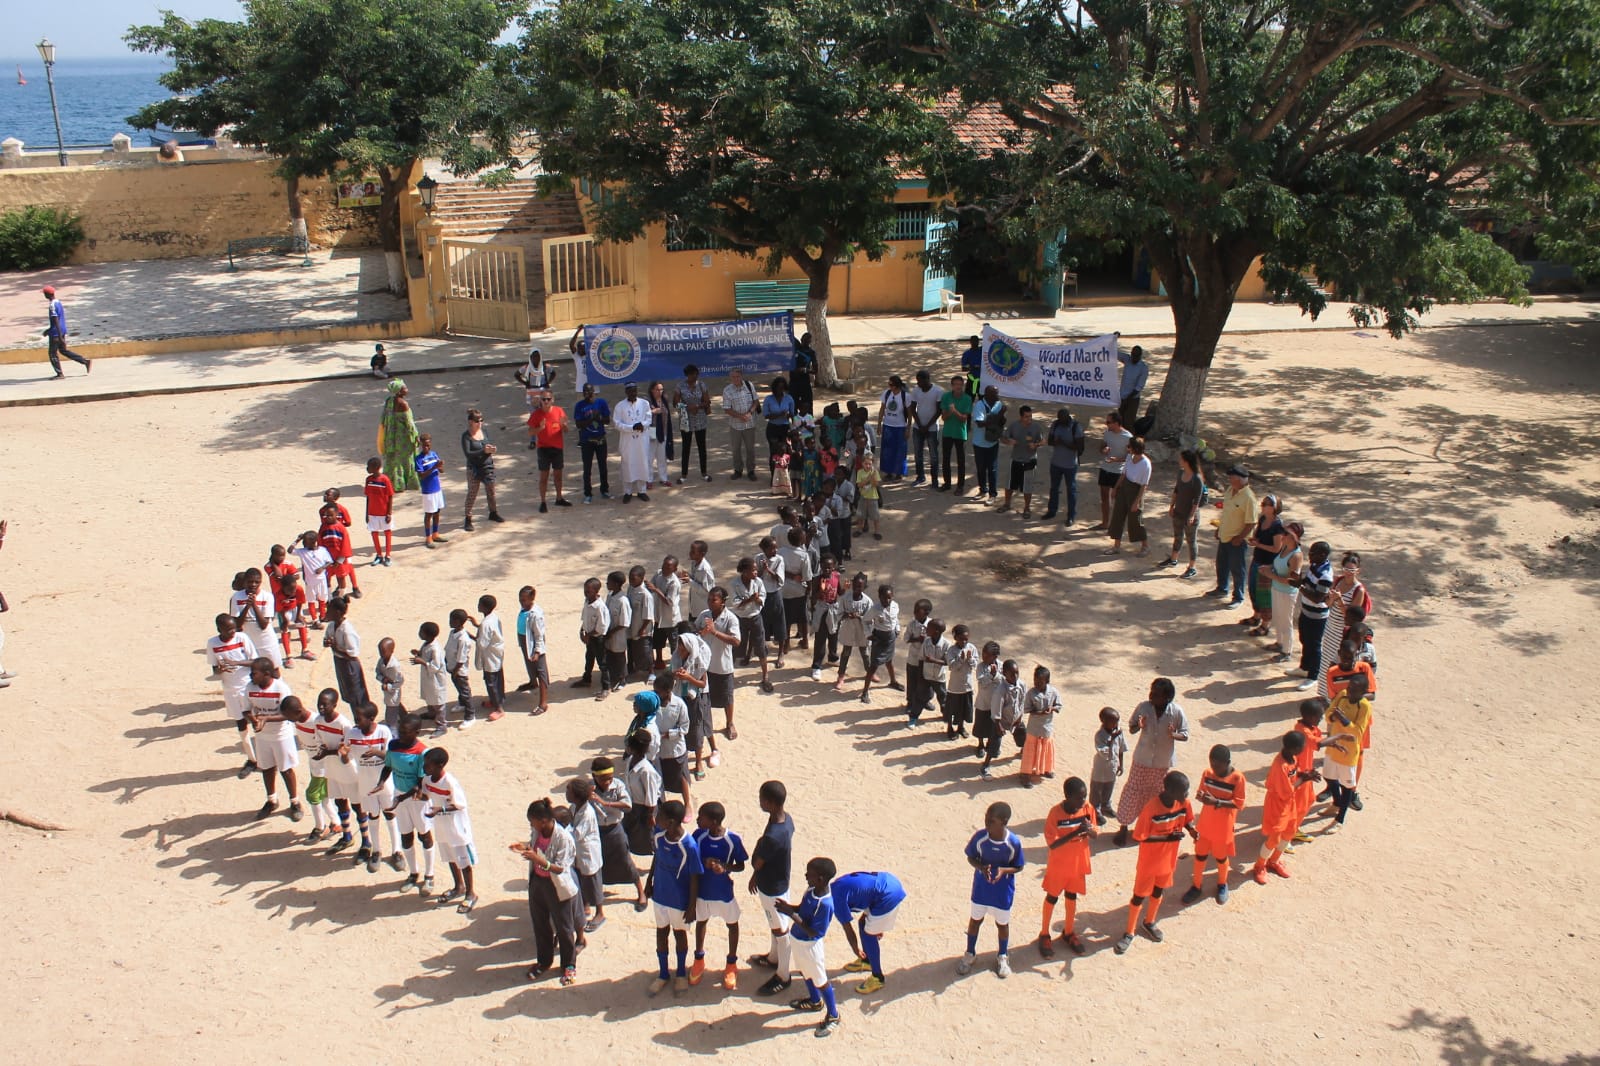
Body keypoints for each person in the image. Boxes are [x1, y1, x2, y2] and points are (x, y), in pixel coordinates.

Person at [1114, 769, 1193, 955]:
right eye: (1184, 791)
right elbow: (1141, 836)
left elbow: (1187, 820)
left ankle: (1149, 922)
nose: (1187, 795)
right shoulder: (1151, 808)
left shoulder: (1184, 803)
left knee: (1158, 891)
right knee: (1139, 896)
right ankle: (1129, 932)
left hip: (1168, 860)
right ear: (1170, 791)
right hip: (1149, 863)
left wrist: (1192, 830)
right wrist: (1167, 839)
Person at [512, 797, 583, 986]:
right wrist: (524, 847)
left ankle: (569, 965)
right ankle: (544, 961)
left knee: (564, 927)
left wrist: (538, 860)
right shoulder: (538, 832)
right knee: (540, 924)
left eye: (532, 821)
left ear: (543, 820)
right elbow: (535, 847)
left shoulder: (563, 838)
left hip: (556, 886)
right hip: (538, 884)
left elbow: (560, 868)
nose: (531, 825)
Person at [1114, 678, 1190, 846]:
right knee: (1132, 791)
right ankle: (1124, 827)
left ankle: (1148, 826)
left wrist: (1173, 735)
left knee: (1156, 794)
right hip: (1142, 759)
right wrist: (1139, 726)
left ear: (1167, 698)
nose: (1151, 695)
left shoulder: (1176, 712)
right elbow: (1132, 728)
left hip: (1162, 762)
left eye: (1156, 694)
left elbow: (1185, 734)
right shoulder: (1144, 707)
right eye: (1151, 691)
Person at [774, 857, 842, 1038]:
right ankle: (814, 1001)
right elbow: (803, 909)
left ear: (820, 878)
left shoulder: (825, 904)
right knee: (805, 972)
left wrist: (791, 915)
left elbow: (814, 932)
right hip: (798, 940)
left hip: (810, 947)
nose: (805, 876)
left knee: (820, 979)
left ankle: (834, 1015)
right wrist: (790, 908)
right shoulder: (811, 890)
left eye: (809, 874)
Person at [958, 802, 1025, 979]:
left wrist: (1004, 870)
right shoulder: (980, 838)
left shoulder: (1013, 843)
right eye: (986, 818)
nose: (986, 822)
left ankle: (1002, 956)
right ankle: (970, 953)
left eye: (991, 820)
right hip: (981, 890)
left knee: (1002, 925)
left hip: (1002, 893)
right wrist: (980, 867)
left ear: (1003, 822)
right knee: (975, 921)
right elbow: (970, 857)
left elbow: (1018, 866)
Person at [645, 798, 703, 996]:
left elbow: (695, 876)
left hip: (679, 900)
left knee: (679, 933)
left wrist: (692, 905)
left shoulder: (689, 846)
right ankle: (663, 974)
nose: (656, 819)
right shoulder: (659, 836)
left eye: (659, 816)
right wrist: (649, 881)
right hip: (660, 895)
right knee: (661, 932)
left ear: (670, 822)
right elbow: (657, 857)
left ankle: (680, 972)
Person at [373, 713, 434, 894]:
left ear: (417, 732)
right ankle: (413, 873)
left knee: (425, 835)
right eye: (400, 731)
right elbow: (389, 766)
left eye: (405, 732)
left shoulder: (422, 753)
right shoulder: (393, 745)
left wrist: (403, 797)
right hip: (400, 796)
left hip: (415, 799)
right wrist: (381, 782)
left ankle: (429, 875)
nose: (400, 735)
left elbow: (421, 782)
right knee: (406, 836)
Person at [690, 800, 748, 990]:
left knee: (732, 925)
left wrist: (725, 867)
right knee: (701, 922)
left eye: (702, 817)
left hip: (723, 892)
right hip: (703, 892)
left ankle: (731, 963)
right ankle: (699, 959)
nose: (697, 820)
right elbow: (693, 859)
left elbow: (741, 865)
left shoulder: (732, 840)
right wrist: (704, 863)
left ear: (714, 822)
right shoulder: (698, 836)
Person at [747, 780, 796, 995]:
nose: (760, 802)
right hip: (779, 879)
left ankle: (783, 975)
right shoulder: (787, 821)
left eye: (762, 799)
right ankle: (774, 958)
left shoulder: (772, 837)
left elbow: (758, 861)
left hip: (771, 887)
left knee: (780, 929)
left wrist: (754, 871)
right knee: (775, 923)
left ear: (771, 802)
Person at [1039, 777, 1096, 957]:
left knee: (1072, 897)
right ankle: (1044, 934)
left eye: (1084, 796)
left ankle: (1069, 932)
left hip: (1078, 864)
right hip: (1059, 866)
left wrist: (1089, 830)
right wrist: (1076, 832)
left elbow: (1094, 833)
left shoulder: (1087, 809)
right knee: (1052, 898)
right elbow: (1053, 844)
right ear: (1067, 797)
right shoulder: (1055, 814)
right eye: (1079, 797)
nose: (1083, 801)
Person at [1183, 744, 1246, 905]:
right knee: (1200, 855)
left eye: (1218, 766)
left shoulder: (1237, 778)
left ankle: (1222, 884)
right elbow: (1201, 791)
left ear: (1228, 762)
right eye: (1212, 764)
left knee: (1220, 857)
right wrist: (1202, 797)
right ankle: (1196, 886)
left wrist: (1217, 801)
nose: (1214, 769)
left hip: (1223, 827)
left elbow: (1239, 803)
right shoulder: (1207, 773)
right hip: (1205, 824)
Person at [343, 701, 401, 873]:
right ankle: (376, 851)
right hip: (366, 784)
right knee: (372, 817)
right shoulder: (352, 733)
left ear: (370, 719)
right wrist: (344, 756)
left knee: (390, 814)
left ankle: (396, 851)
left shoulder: (383, 731)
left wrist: (377, 752)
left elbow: (392, 756)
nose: (356, 721)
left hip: (384, 783)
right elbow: (346, 758)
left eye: (359, 718)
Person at [830, 868, 906, 994]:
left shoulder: (835, 901)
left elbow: (848, 929)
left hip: (887, 894)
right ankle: (867, 960)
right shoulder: (834, 887)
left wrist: (856, 950)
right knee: (863, 923)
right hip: (885, 883)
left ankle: (878, 977)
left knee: (868, 934)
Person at [421, 748, 477, 912]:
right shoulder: (427, 780)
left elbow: (460, 805)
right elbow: (426, 795)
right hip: (441, 828)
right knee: (451, 859)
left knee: (463, 862)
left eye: (428, 766)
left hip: (457, 829)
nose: (425, 768)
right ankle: (458, 887)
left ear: (440, 765)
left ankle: (470, 893)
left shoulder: (450, 782)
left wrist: (440, 810)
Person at [590, 756, 646, 912]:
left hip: (615, 830)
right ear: (595, 777)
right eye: (603, 779)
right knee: (596, 864)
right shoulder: (589, 789)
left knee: (625, 860)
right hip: (596, 833)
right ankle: (591, 898)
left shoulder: (618, 785)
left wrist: (604, 803)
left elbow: (627, 806)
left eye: (609, 778)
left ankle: (641, 892)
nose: (607, 782)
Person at [206, 614, 260, 776]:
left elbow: (255, 661)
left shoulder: (241, 638)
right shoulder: (212, 643)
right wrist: (220, 669)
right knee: (241, 726)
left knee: (258, 722)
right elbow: (214, 669)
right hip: (231, 691)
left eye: (234, 628)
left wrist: (237, 663)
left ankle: (265, 757)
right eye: (229, 630)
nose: (232, 632)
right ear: (219, 630)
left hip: (248, 687)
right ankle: (252, 759)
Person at [1254, 730, 1308, 884]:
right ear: (1294, 748)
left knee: (1289, 833)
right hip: (1277, 805)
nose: (1303, 749)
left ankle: (1274, 861)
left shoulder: (1293, 758)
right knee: (1274, 839)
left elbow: (1295, 776)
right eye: (1302, 747)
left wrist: (1305, 774)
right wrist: (1303, 780)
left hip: (1288, 804)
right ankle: (1259, 866)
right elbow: (1286, 790)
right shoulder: (1280, 766)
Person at [1322, 673, 1372, 831]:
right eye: (1349, 688)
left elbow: (1358, 732)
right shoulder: (1342, 695)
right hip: (1333, 745)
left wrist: (1343, 720)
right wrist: (1332, 717)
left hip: (1348, 753)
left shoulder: (1364, 706)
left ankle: (1340, 819)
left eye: (1354, 690)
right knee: (1328, 776)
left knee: (1347, 786)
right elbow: (1328, 714)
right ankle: (1336, 802)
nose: (1349, 692)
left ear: (1363, 692)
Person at [1205, 464, 1257, 606]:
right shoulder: (1229, 491)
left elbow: (1251, 522)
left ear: (1240, 479)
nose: (1229, 479)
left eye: (1232, 476)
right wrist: (1220, 528)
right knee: (1221, 564)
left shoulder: (1248, 498)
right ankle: (1222, 588)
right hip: (1225, 535)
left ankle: (1238, 597)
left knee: (1237, 569)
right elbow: (1226, 513)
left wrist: (1239, 538)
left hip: (1237, 541)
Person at [697, 587, 742, 741]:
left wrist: (715, 632)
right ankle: (704, 723)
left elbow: (736, 641)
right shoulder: (704, 615)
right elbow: (696, 630)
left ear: (723, 602)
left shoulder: (731, 618)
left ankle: (729, 723)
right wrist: (701, 632)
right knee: (704, 696)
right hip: (705, 665)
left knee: (727, 697)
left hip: (722, 665)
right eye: (709, 599)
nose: (710, 602)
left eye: (714, 600)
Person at [1157, 448, 1204, 576]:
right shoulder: (1180, 473)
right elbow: (1176, 491)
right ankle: (1173, 559)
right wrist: (1171, 506)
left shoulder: (1197, 479)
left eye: (1181, 459)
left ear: (1186, 461)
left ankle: (1192, 567)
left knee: (1191, 541)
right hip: (1178, 512)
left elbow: (1197, 500)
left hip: (1190, 515)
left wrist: (1192, 515)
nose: (1179, 461)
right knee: (1178, 536)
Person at [1296, 540, 1336, 690]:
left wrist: (1299, 587)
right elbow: (1307, 581)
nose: (1310, 556)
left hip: (1317, 616)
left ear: (1323, 555)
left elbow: (1318, 597)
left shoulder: (1325, 575)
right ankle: (1304, 667)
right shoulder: (1314, 566)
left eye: (1313, 554)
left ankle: (1313, 675)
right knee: (1304, 639)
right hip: (1306, 610)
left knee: (1314, 645)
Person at [526, 390, 573, 514]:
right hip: (543, 448)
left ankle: (559, 498)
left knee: (558, 475)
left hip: (557, 447)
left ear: (553, 399)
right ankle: (543, 502)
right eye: (543, 399)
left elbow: (566, 430)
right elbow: (530, 432)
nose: (546, 401)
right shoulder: (537, 414)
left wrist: (564, 426)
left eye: (548, 399)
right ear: (540, 401)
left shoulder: (559, 411)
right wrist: (540, 428)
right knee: (544, 477)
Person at [1263, 520, 1305, 657]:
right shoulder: (1284, 547)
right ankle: (1279, 642)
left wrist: (1270, 575)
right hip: (1276, 588)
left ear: (1294, 536)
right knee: (1277, 617)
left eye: (1286, 533)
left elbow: (1292, 581)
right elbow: (1278, 566)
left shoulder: (1296, 556)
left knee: (1286, 621)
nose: (1282, 535)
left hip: (1287, 593)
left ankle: (1286, 651)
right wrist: (1269, 569)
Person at [1244, 494, 1285, 632]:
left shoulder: (1277, 526)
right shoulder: (1262, 519)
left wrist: (1259, 545)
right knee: (1253, 589)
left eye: (1265, 504)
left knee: (1265, 594)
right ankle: (1256, 616)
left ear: (1273, 508)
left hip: (1268, 565)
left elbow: (1276, 548)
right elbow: (1256, 534)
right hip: (1257, 560)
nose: (1262, 505)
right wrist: (1254, 540)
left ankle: (1265, 624)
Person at [1105, 436, 1152, 555]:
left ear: (1135, 448)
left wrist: (1137, 501)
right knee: (1118, 516)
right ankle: (1116, 546)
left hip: (1136, 491)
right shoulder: (1129, 458)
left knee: (1136, 520)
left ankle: (1145, 546)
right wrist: (1115, 488)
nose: (1127, 448)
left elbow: (1143, 485)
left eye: (1129, 446)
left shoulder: (1145, 464)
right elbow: (1123, 474)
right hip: (1124, 489)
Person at [322, 595, 368, 713]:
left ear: (337, 612)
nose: (327, 612)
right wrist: (327, 642)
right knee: (348, 693)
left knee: (357, 694)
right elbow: (326, 639)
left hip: (349, 665)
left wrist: (335, 647)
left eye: (330, 610)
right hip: (339, 662)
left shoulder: (347, 630)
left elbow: (352, 654)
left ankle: (362, 718)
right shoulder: (332, 625)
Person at [1041, 407, 1085, 525]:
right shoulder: (1055, 425)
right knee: (1054, 488)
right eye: (1059, 418)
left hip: (1070, 465)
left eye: (1062, 419)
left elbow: (1080, 447)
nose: (1060, 421)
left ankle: (1071, 515)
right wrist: (1054, 442)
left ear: (1068, 417)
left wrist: (1064, 443)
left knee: (1071, 490)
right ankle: (1052, 511)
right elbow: (1050, 441)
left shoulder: (1076, 427)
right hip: (1055, 463)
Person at [460, 409, 503, 529]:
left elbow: (486, 446)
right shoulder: (466, 436)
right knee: (472, 493)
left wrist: (491, 449)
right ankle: (468, 518)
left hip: (487, 466)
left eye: (481, 420)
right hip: (474, 468)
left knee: (491, 491)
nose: (479, 423)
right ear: (470, 422)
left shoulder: (484, 432)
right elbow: (468, 453)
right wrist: (483, 451)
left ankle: (493, 513)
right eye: (477, 421)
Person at [999, 404, 1045, 516]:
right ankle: (1007, 504)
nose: (1029, 419)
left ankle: (1027, 508)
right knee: (1010, 484)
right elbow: (1003, 438)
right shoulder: (1014, 426)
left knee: (1027, 486)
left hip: (1030, 460)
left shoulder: (1036, 427)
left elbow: (1043, 441)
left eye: (1030, 416)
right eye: (1026, 417)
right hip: (1015, 459)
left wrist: (1036, 445)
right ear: (1021, 417)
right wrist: (1009, 441)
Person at [1020, 664, 1062, 786]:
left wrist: (1052, 708)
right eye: (1035, 681)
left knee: (1046, 749)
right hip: (1034, 728)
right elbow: (1027, 709)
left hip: (1046, 728)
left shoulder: (1053, 692)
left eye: (1040, 682)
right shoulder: (1031, 694)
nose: (1037, 684)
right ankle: (1025, 775)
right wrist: (1040, 712)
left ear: (1047, 681)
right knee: (1030, 751)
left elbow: (1059, 705)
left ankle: (1046, 769)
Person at [378, 380, 421, 492]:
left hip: (391, 436)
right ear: (399, 391)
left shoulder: (389, 401)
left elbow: (384, 418)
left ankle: (392, 482)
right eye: (404, 388)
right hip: (403, 438)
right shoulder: (403, 404)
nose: (407, 389)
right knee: (406, 459)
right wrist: (416, 436)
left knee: (393, 459)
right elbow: (409, 424)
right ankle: (406, 483)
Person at [1094, 410, 1133, 528]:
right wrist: (1103, 450)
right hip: (1105, 468)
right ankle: (1105, 523)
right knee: (1104, 497)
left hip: (1118, 472)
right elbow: (1101, 447)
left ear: (1116, 423)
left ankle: (1116, 525)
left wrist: (1117, 460)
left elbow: (1130, 457)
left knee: (1117, 500)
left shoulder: (1128, 437)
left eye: (1109, 422)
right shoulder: (1107, 433)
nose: (1106, 424)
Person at [573, 383, 612, 503]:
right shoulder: (579, 405)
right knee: (587, 468)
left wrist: (598, 417)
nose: (587, 394)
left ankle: (604, 490)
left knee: (603, 466)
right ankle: (587, 493)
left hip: (600, 439)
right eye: (584, 392)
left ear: (594, 392)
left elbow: (607, 421)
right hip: (587, 440)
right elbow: (578, 424)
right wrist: (591, 419)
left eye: (589, 391)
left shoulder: (601, 403)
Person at [674, 364, 714, 483]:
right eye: (692, 374)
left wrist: (698, 406)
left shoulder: (702, 385)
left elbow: (707, 402)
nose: (694, 376)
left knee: (702, 447)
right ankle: (684, 475)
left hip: (700, 420)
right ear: (687, 375)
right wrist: (687, 407)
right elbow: (675, 403)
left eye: (696, 374)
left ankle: (704, 473)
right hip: (686, 421)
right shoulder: (680, 386)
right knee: (686, 447)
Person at [615, 382, 654, 502]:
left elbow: (648, 419)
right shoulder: (620, 406)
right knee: (628, 464)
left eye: (635, 391)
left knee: (642, 463)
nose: (633, 393)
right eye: (630, 391)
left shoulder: (644, 403)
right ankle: (627, 492)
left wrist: (642, 425)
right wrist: (631, 427)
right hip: (628, 441)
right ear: (626, 392)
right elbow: (617, 423)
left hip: (641, 440)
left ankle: (642, 491)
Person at [40, 286, 90, 378]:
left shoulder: (52, 306)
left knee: (52, 353)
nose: (44, 295)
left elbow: (56, 321)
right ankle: (85, 361)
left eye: (44, 294)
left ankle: (59, 373)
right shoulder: (58, 302)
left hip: (56, 333)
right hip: (61, 330)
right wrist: (50, 331)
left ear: (47, 294)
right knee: (63, 351)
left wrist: (58, 336)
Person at [720, 368, 759, 481]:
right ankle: (738, 470)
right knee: (736, 448)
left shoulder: (749, 385)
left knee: (750, 449)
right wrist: (740, 416)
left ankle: (751, 471)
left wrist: (750, 413)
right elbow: (727, 409)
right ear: (730, 378)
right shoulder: (727, 390)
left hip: (750, 423)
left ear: (741, 376)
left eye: (737, 377)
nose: (735, 379)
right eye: (733, 377)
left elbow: (755, 401)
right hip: (735, 425)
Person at [1090, 707, 1127, 824]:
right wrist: (1113, 738)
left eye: (1117, 721)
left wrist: (1121, 765)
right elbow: (1104, 752)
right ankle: (1095, 810)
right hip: (1101, 767)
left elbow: (1121, 749)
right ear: (1104, 722)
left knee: (1109, 787)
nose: (1116, 724)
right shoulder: (1099, 735)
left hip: (1112, 766)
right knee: (1097, 789)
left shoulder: (1118, 732)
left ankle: (1106, 806)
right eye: (1113, 722)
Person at [970, 385, 1006, 504]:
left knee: (992, 469)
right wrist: (999, 414)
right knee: (981, 468)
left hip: (993, 441)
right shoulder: (979, 405)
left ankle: (992, 494)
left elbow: (1001, 421)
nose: (997, 395)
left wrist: (1001, 418)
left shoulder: (998, 404)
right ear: (987, 395)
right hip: (979, 442)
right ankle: (982, 489)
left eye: (997, 393)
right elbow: (980, 423)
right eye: (995, 393)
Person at [472, 594, 506, 721]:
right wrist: (477, 626)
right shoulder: (493, 618)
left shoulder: (486, 624)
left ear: (485, 607)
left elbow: (482, 643)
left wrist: (473, 637)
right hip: (496, 653)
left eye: (480, 604)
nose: (478, 606)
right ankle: (497, 700)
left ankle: (498, 709)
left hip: (490, 656)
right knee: (498, 678)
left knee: (491, 682)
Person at [907, 370, 944, 487]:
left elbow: (939, 411)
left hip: (932, 428)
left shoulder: (938, 391)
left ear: (927, 379)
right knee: (918, 453)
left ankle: (934, 480)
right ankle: (920, 476)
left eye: (920, 381)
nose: (918, 383)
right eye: (917, 381)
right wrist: (919, 424)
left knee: (933, 454)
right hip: (918, 427)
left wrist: (927, 426)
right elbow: (912, 408)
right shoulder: (916, 391)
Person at [516, 585, 550, 712]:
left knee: (541, 671)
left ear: (532, 599)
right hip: (525, 642)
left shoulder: (535, 614)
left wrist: (537, 651)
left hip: (534, 645)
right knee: (529, 665)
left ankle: (543, 703)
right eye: (520, 600)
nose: (522, 602)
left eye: (524, 600)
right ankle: (532, 682)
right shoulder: (524, 609)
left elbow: (539, 635)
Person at [410, 621, 447, 735]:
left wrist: (422, 661)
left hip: (435, 679)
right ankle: (431, 713)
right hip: (428, 679)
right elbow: (425, 655)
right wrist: (419, 654)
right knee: (429, 697)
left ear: (428, 635)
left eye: (421, 632)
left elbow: (435, 666)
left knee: (438, 702)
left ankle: (441, 726)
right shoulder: (426, 644)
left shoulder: (435, 648)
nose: (419, 633)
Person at [937, 374, 972, 494]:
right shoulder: (946, 397)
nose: (958, 387)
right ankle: (947, 483)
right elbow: (944, 417)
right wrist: (949, 412)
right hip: (947, 432)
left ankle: (960, 486)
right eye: (955, 384)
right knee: (945, 459)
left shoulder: (967, 398)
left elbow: (964, 418)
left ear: (963, 385)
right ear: (952, 386)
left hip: (960, 433)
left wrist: (955, 411)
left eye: (960, 384)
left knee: (960, 460)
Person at [575, 577, 611, 693]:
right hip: (589, 637)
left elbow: (601, 628)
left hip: (597, 638)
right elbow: (584, 618)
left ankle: (606, 687)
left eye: (588, 591)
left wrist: (588, 635)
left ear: (596, 591)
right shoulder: (587, 602)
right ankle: (586, 679)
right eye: (585, 590)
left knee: (602, 663)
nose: (586, 593)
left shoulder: (600, 607)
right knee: (589, 658)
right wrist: (582, 631)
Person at [413, 434, 448, 548]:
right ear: (421, 445)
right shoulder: (419, 459)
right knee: (429, 514)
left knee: (437, 511)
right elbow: (421, 475)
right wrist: (434, 467)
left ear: (430, 444)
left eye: (428, 445)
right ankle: (428, 537)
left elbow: (441, 471)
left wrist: (440, 466)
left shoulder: (434, 455)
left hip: (437, 488)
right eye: (424, 445)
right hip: (428, 490)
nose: (426, 447)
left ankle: (435, 533)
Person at [444, 608, 475, 729]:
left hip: (459, 670)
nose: (449, 622)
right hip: (452, 667)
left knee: (465, 691)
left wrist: (455, 671)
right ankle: (461, 704)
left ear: (458, 621)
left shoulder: (463, 639)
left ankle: (470, 716)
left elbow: (461, 658)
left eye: (451, 620)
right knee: (459, 688)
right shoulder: (453, 632)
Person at [877, 375, 911, 480]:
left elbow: (910, 413)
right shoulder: (886, 394)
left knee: (900, 450)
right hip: (888, 425)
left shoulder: (905, 396)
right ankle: (888, 472)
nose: (889, 386)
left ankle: (899, 472)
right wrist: (879, 424)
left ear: (896, 386)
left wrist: (908, 428)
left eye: (891, 385)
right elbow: (882, 409)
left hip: (900, 426)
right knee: (887, 450)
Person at [362, 457, 395, 566]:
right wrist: (366, 513)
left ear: (376, 468)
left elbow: (390, 496)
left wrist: (389, 513)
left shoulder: (384, 480)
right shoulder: (368, 480)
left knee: (387, 532)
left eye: (369, 467)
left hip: (384, 512)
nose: (367, 468)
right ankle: (379, 555)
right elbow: (368, 497)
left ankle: (388, 555)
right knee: (374, 533)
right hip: (372, 513)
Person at [762, 377, 797, 470]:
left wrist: (794, 427)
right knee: (774, 452)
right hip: (773, 428)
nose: (780, 390)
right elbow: (766, 415)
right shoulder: (768, 399)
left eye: (782, 388)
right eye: (778, 388)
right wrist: (779, 415)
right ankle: (774, 475)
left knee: (786, 451)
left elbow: (793, 415)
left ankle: (785, 474)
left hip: (785, 428)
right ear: (774, 388)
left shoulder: (789, 398)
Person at [645, 380, 675, 489]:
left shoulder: (664, 400)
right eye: (657, 389)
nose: (660, 391)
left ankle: (664, 478)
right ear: (652, 390)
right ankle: (648, 479)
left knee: (662, 457)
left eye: (661, 389)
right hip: (652, 431)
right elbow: (643, 414)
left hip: (663, 431)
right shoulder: (647, 401)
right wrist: (653, 412)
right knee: (650, 457)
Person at [373, 637, 405, 730]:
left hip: (394, 691)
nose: (381, 654)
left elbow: (400, 681)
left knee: (391, 714)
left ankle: (393, 732)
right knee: (396, 705)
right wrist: (382, 679)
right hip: (387, 691)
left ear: (391, 651)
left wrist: (389, 687)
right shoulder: (381, 660)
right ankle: (405, 718)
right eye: (380, 651)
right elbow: (377, 672)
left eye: (384, 651)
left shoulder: (395, 666)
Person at [1118, 344, 1149, 428]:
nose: (1134, 357)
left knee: (1128, 422)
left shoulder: (1143, 368)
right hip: (1122, 396)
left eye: (1136, 355)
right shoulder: (1127, 359)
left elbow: (1138, 388)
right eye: (1133, 355)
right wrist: (1114, 339)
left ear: (1140, 356)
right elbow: (1115, 353)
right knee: (1120, 420)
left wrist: (1126, 401)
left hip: (1132, 399)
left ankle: (1130, 440)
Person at [791, 332, 817, 415]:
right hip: (794, 381)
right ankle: (795, 423)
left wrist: (805, 370)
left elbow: (815, 370)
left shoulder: (811, 352)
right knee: (793, 404)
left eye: (808, 341)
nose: (805, 342)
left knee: (808, 404)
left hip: (805, 382)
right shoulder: (796, 348)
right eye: (804, 340)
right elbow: (789, 335)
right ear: (801, 340)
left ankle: (809, 423)